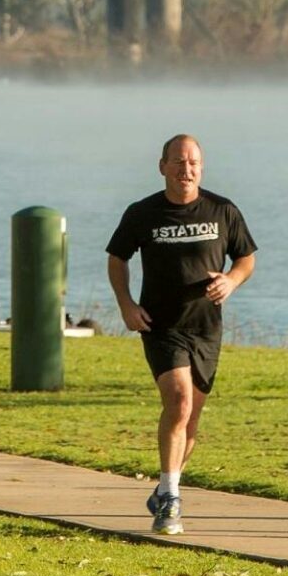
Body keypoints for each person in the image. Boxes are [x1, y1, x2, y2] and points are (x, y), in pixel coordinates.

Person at [106, 133, 257, 536]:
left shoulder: (223, 210)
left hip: (206, 328)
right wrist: (125, 304)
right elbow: (117, 257)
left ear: (201, 168)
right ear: (162, 167)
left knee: (190, 418)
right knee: (179, 399)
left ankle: (165, 486)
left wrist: (231, 281)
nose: (185, 170)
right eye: (177, 162)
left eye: (192, 163)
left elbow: (245, 257)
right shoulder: (143, 213)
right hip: (161, 325)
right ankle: (171, 500)